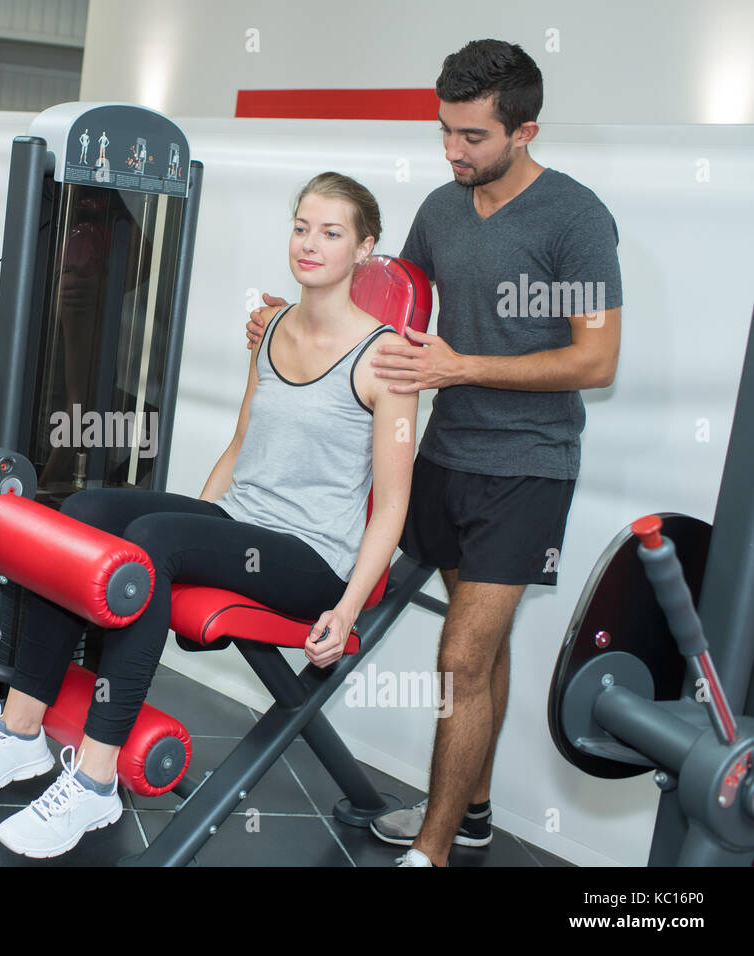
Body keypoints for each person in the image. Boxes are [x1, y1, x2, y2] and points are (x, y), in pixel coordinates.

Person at [0, 172, 419, 859]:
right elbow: (243, 443)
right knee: (86, 510)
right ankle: (20, 735)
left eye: (331, 233)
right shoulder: (274, 325)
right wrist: (202, 522)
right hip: (244, 523)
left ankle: (96, 783)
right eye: (302, 227)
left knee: (155, 541)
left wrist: (348, 608)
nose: (310, 244)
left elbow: (392, 504)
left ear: (364, 249)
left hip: (311, 561)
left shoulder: (386, 358)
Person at [246, 40, 623, 866]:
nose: (454, 151)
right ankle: (476, 811)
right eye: (445, 132)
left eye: (473, 138)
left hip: (528, 466)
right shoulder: (444, 208)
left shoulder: (576, 218)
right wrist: (289, 316)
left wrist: (462, 366)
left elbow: (597, 360)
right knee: (479, 652)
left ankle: (434, 849)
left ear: (524, 132)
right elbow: (376, 308)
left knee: (460, 654)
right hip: (444, 457)